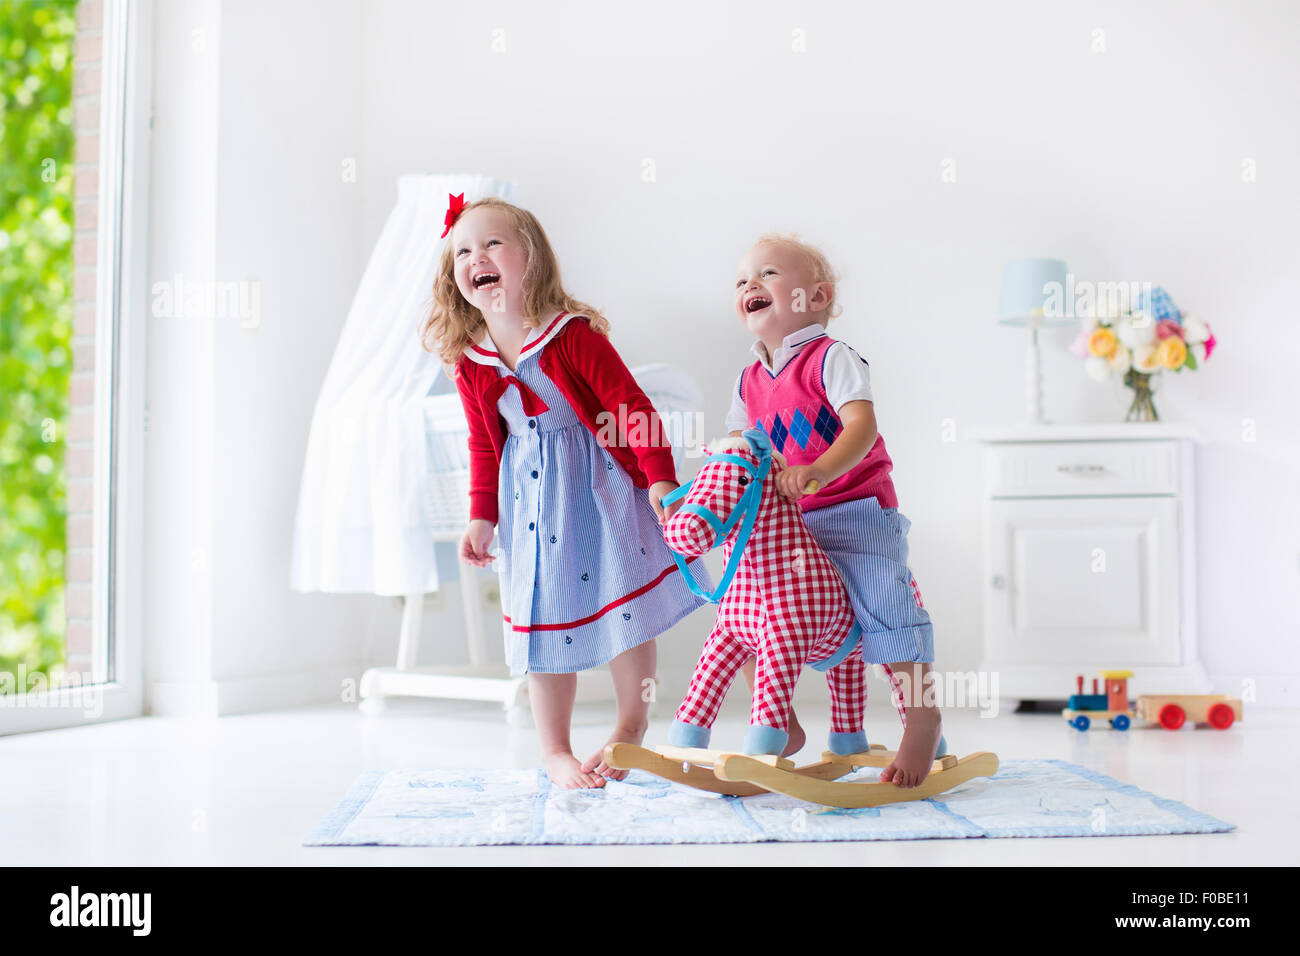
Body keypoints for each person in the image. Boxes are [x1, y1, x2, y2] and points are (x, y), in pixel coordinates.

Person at [421, 195, 712, 789]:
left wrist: (659, 477)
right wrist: (483, 517)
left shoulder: (569, 335)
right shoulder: (470, 360)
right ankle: (555, 749)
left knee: (622, 606)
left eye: (493, 243)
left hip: (597, 496)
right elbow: (483, 444)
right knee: (540, 625)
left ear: (531, 257)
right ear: (456, 277)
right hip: (531, 514)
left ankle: (631, 723)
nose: (477, 256)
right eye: (464, 252)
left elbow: (632, 408)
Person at [725, 233, 945, 787]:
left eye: (768, 274)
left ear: (816, 295)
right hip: (792, 527)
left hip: (857, 516)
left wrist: (820, 469)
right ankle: (785, 723)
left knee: (888, 609)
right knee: (744, 615)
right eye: (742, 280)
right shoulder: (748, 377)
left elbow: (860, 426)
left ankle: (922, 718)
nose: (750, 285)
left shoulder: (833, 357)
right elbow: (739, 449)